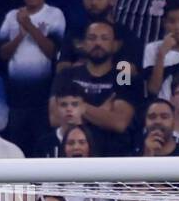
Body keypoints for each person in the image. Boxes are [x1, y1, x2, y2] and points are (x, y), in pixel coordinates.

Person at [51, 19, 144, 155]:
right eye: (92, 38)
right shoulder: (68, 74)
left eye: (104, 38)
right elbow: (55, 118)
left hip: (113, 152)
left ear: (115, 45)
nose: (98, 43)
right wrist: (101, 112)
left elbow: (119, 123)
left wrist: (77, 107)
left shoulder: (123, 73)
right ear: (83, 44)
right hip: (75, 150)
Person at [0, 0, 67, 148]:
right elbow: (2, 53)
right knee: (16, 145)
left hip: (43, 95)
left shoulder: (55, 14)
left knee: (41, 144)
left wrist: (28, 25)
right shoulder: (11, 16)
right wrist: (20, 35)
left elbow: (52, 51)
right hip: (16, 96)